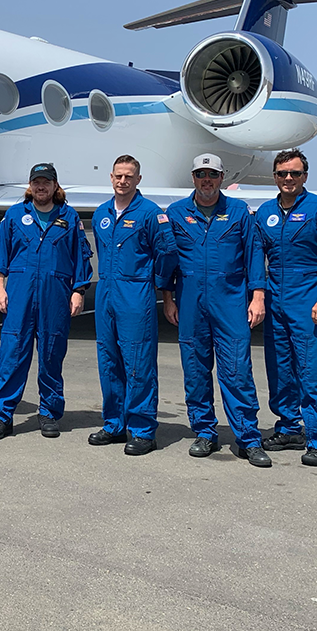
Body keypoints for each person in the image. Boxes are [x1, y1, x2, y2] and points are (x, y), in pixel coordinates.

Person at [161, 153, 271, 468]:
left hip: (230, 302)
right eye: (200, 174)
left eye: (212, 175)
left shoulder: (238, 212)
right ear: (192, 178)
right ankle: (205, 432)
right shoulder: (177, 213)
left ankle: (248, 439)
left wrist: (258, 296)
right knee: (195, 372)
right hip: (191, 304)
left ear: (221, 178)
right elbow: (168, 259)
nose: (206, 180)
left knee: (237, 372)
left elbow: (253, 254)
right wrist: (168, 298)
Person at [252, 148, 317, 467]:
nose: (288, 179)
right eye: (282, 174)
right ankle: (290, 427)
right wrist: (258, 293)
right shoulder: (265, 212)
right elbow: (255, 255)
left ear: (305, 176)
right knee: (279, 367)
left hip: (307, 297)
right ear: (274, 176)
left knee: (312, 368)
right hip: (276, 297)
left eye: (294, 173)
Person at [0, 163, 93, 440]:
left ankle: (49, 413)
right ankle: (3, 415)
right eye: (36, 182)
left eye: (46, 182)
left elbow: (81, 258)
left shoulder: (68, 218)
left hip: (55, 295)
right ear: (30, 186)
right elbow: (2, 257)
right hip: (20, 294)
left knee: (51, 354)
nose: (41, 187)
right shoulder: (15, 216)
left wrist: (78, 291)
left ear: (56, 185)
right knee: (12, 354)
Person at [88, 155, 175, 456]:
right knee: (108, 361)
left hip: (136, 292)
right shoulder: (101, 213)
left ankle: (142, 430)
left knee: (138, 363)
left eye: (129, 176)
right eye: (118, 176)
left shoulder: (150, 214)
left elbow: (166, 254)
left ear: (138, 179)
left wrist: (160, 288)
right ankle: (114, 424)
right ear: (110, 177)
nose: (122, 181)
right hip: (107, 291)